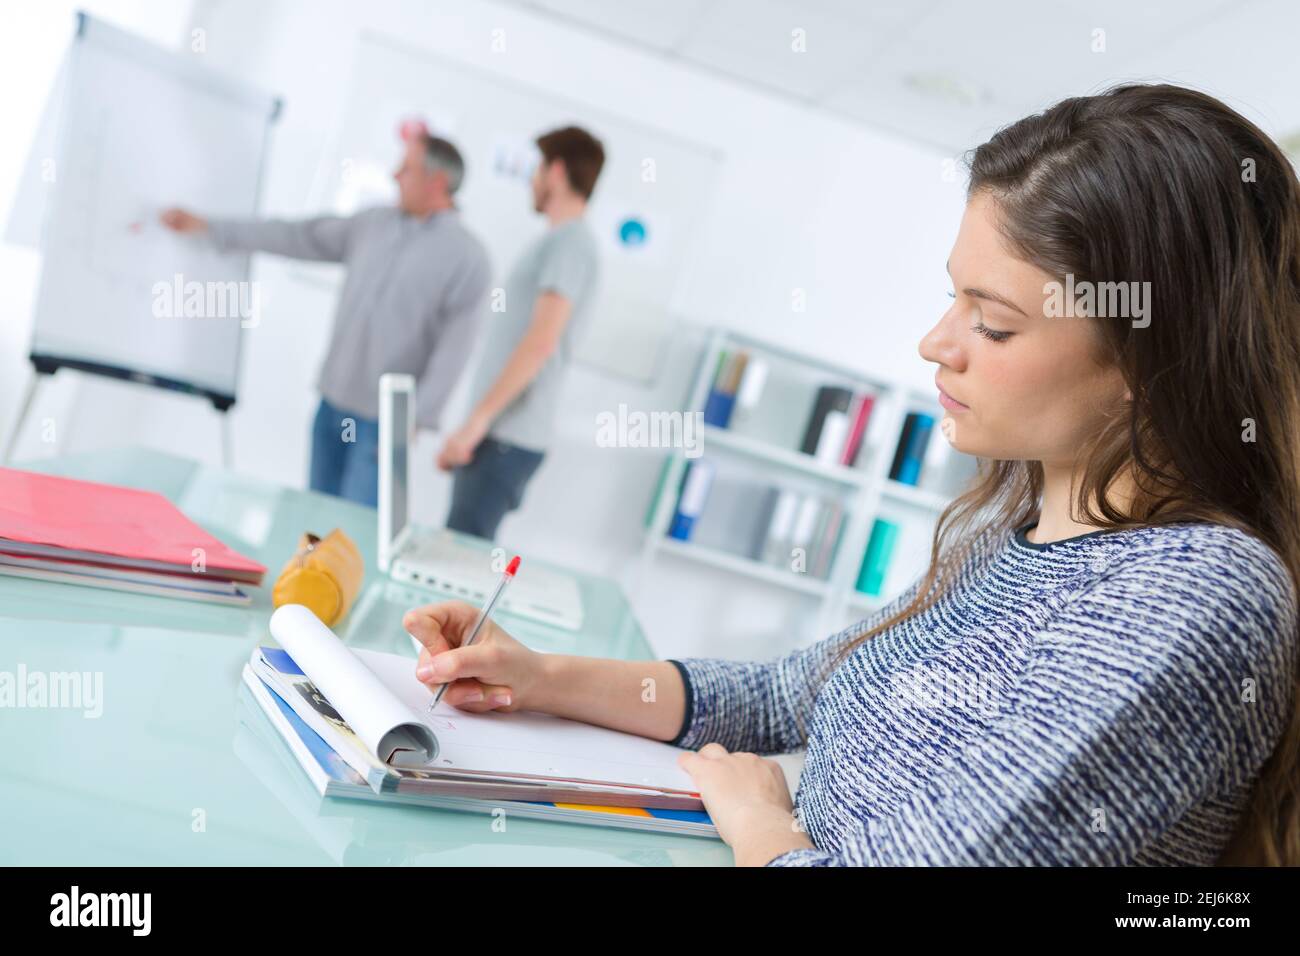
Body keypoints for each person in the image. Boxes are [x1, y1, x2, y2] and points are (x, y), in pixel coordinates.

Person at [401, 85, 1300, 866]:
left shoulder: (1198, 594)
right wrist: (541, 676)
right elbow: (787, 693)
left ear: (1150, 351)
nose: (937, 343)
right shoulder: (1018, 536)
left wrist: (761, 826)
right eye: (954, 295)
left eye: (991, 321)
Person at [160, 126, 491, 506]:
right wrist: (211, 227)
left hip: (382, 425)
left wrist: (411, 423)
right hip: (333, 405)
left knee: (354, 531)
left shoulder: (468, 259)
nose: (395, 175)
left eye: (407, 168)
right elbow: (298, 236)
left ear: (438, 181)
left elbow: (455, 351)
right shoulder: (373, 224)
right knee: (315, 518)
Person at [437, 126, 604, 540]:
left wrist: (475, 424)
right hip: (502, 436)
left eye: (537, 168)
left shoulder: (570, 244)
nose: (531, 179)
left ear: (557, 171)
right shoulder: (561, 242)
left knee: (462, 562)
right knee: (462, 556)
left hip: (504, 438)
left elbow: (541, 342)